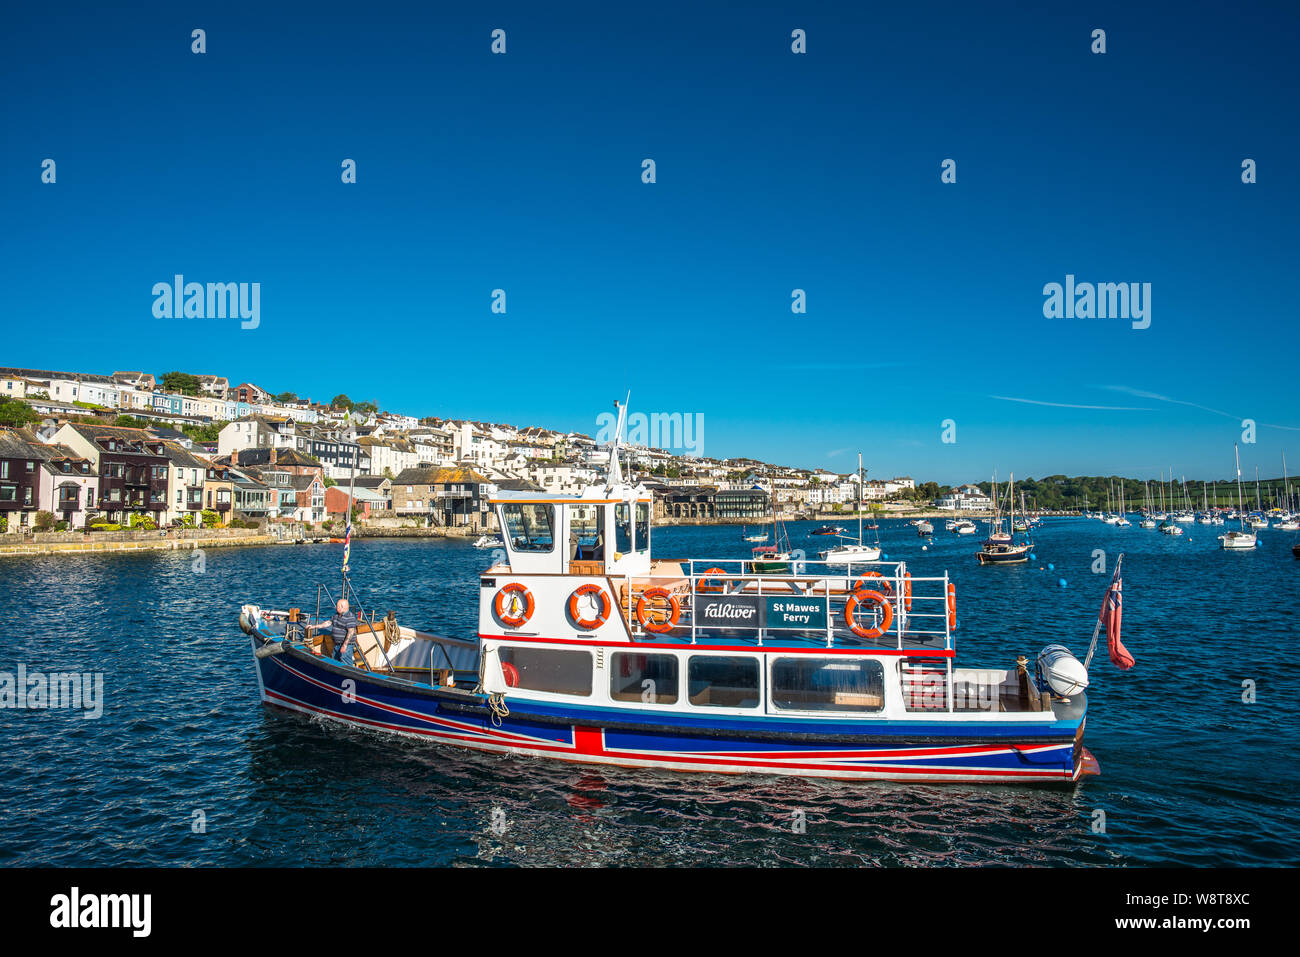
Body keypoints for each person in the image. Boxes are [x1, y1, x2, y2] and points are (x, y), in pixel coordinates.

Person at [310, 599, 359, 665]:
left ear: (342, 607)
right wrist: (314, 626)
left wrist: (344, 646)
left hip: (346, 645)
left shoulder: (350, 617)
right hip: (337, 644)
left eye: (337, 606)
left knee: (345, 661)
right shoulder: (336, 615)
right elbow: (328, 623)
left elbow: (351, 632)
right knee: (335, 662)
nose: (336, 608)